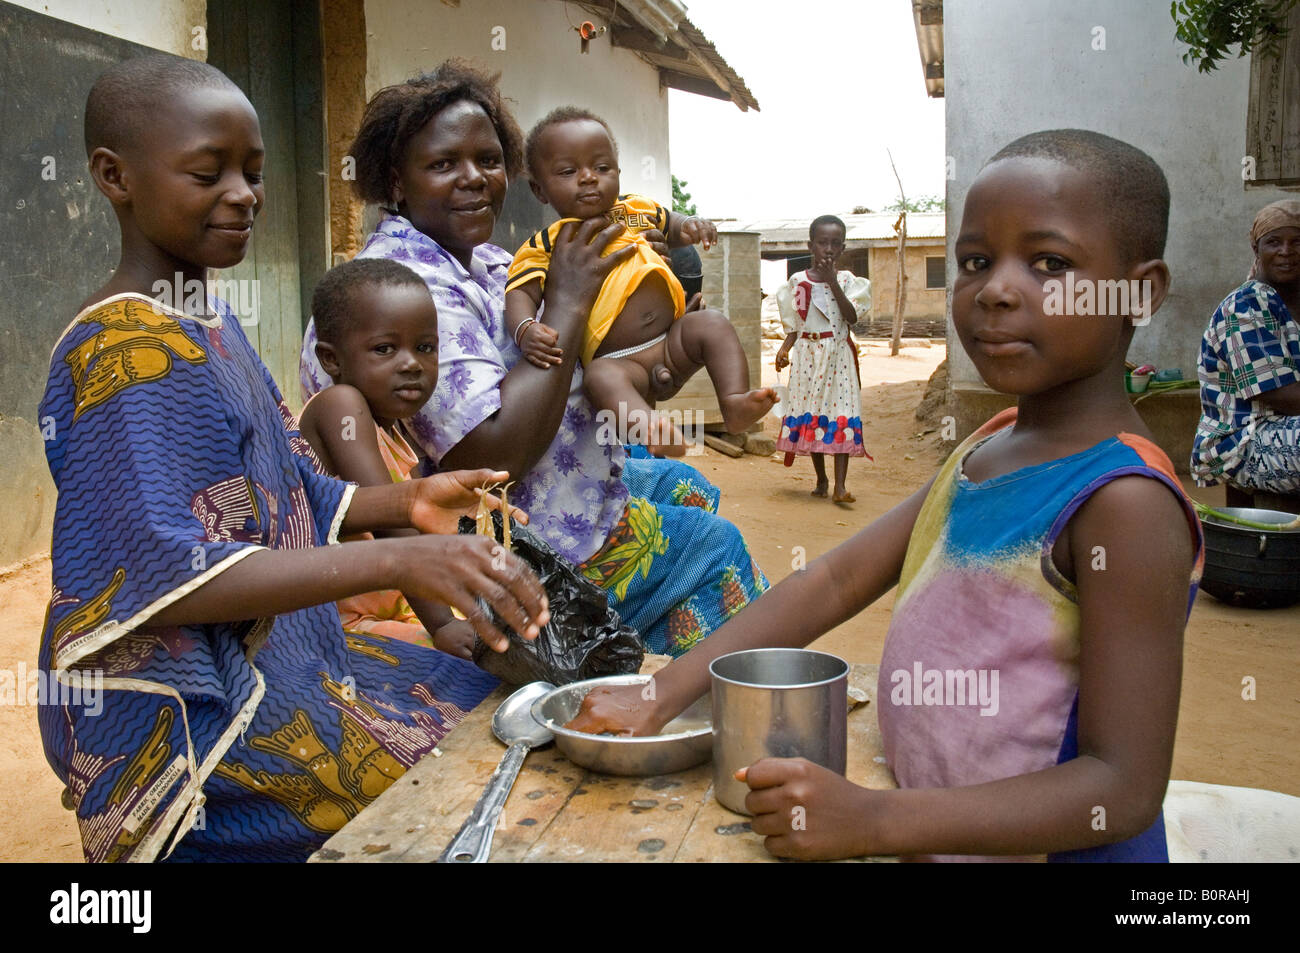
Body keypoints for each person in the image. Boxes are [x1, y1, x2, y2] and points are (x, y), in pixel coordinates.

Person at [570, 129, 1206, 863]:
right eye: (975, 261)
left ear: (1140, 291)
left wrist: (876, 821)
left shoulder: (1123, 503)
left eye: (1050, 263)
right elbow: (835, 579)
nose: (996, 288)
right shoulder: (987, 446)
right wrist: (661, 691)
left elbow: (1119, 790)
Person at [39, 54, 548, 863]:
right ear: (114, 176)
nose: (243, 195)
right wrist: (414, 561)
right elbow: (176, 576)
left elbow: (289, 484)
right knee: (475, 786)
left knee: (498, 704)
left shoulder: (209, 321)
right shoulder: (122, 352)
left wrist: (407, 504)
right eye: (208, 173)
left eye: (252, 172)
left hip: (295, 656)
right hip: (202, 725)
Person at [300, 62, 768, 657]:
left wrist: (651, 346)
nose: (474, 179)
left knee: (685, 484)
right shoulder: (405, 288)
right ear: (396, 181)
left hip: (557, 483)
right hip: (499, 536)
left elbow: (591, 362)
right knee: (713, 547)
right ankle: (668, 700)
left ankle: (615, 661)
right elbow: (491, 454)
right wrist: (569, 302)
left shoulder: (489, 261)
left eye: (489, 161)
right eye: (443, 164)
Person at [503, 107, 776, 456]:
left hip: (670, 340)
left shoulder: (635, 209)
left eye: (602, 168)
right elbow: (519, 290)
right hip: (619, 360)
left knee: (710, 323)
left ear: (618, 172)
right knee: (599, 379)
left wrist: (689, 225)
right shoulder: (547, 243)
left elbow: (672, 224)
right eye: (569, 171)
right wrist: (525, 328)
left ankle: (734, 402)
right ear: (539, 191)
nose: (588, 178)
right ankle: (650, 429)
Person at [299, 257, 477, 658]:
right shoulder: (339, 407)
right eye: (385, 349)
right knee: (477, 664)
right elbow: (388, 519)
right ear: (331, 359)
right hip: (341, 628)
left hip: (396, 609)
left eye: (425, 347)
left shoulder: (393, 429)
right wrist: (443, 624)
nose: (412, 363)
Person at [1191, 199, 1300, 494]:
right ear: (1257, 249)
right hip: (1243, 442)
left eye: (1296, 241)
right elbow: (1282, 396)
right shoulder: (1245, 306)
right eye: (1274, 242)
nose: (1286, 252)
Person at [774, 216, 872, 502]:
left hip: (837, 355)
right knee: (813, 414)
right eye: (822, 243)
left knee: (841, 412)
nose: (828, 249)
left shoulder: (849, 282)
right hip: (807, 356)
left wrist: (832, 282)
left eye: (834, 244)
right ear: (810, 246)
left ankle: (841, 487)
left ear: (842, 248)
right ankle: (821, 479)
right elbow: (795, 322)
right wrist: (785, 348)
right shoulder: (797, 282)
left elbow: (851, 316)